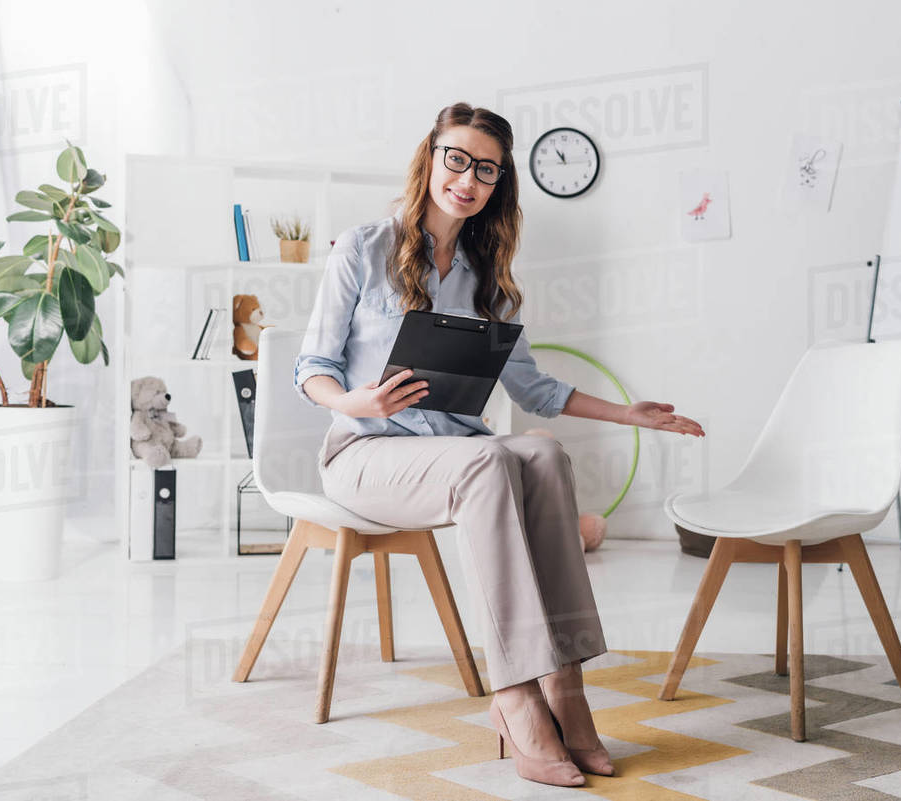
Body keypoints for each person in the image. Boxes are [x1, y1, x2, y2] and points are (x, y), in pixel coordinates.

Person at [295, 102, 704, 788]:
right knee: (490, 456)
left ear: (497, 185)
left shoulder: (491, 278)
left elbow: (536, 392)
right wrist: (352, 401)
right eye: (457, 158)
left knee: (542, 451)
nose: (467, 178)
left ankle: (565, 685)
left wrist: (632, 415)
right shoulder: (360, 249)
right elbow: (311, 368)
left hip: (452, 455)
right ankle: (515, 695)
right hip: (363, 454)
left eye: (486, 169)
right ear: (430, 157)